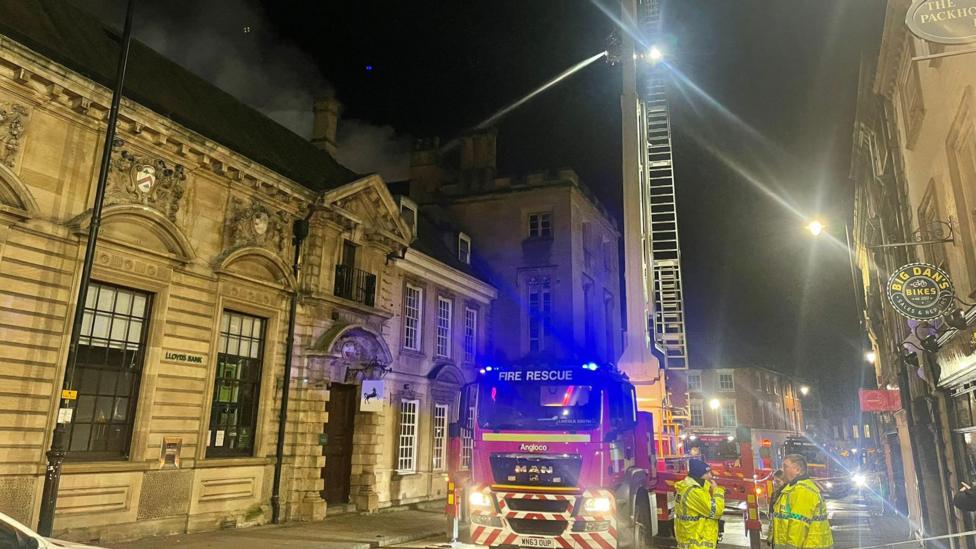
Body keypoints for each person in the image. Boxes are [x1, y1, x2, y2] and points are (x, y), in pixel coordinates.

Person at [771, 454, 833, 548]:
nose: (782, 470)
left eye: (785, 466)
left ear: (798, 470)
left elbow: (798, 525)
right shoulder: (792, 489)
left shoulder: (803, 491)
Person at [675, 458, 726, 549]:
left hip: (693, 541)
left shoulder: (690, 488)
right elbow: (716, 511)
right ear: (699, 476)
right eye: (707, 473)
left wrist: (707, 486)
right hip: (697, 544)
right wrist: (717, 491)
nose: (710, 476)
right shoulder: (694, 492)